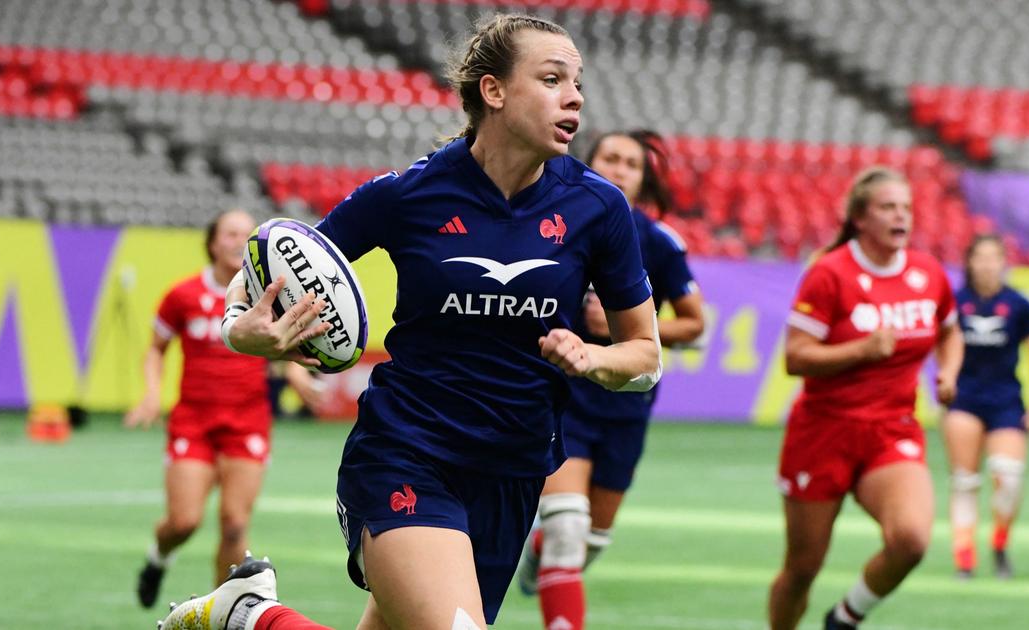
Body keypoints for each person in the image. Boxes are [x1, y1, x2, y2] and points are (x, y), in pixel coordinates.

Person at [160, 13, 660, 630]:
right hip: (407, 451)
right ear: (494, 92)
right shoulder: (409, 193)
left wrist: (594, 358)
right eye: (553, 78)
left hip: (515, 470)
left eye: (577, 81)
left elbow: (644, 354)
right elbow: (270, 266)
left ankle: (248, 617)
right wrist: (242, 329)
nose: (575, 95)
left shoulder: (598, 206)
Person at [513, 130, 706, 630]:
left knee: (590, 538)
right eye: (610, 159)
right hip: (565, 397)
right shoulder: (554, 224)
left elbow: (695, 322)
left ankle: (541, 549)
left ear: (643, 180)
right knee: (568, 527)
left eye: (631, 164)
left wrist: (628, 326)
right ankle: (552, 550)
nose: (619, 169)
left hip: (625, 405)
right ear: (588, 164)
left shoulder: (659, 243)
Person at [769, 167, 964, 630]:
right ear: (860, 218)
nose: (901, 217)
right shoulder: (830, 273)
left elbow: (950, 332)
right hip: (823, 432)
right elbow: (795, 358)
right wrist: (862, 349)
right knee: (803, 569)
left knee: (912, 539)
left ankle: (845, 617)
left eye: (907, 208)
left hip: (890, 430)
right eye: (888, 207)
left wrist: (949, 372)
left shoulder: (927, 272)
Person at [126, 209, 323, 608]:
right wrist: (150, 393)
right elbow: (155, 350)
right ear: (213, 243)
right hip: (193, 422)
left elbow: (280, 345)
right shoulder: (182, 295)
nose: (237, 240)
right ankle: (158, 558)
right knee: (183, 522)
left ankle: (219, 614)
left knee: (235, 526)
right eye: (229, 233)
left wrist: (297, 375)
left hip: (246, 422)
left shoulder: (265, 298)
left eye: (244, 233)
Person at [943, 234, 1029, 579]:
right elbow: (938, 344)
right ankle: (965, 558)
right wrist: (945, 377)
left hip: (1005, 401)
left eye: (994, 257)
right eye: (980, 257)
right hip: (965, 400)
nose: (987, 264)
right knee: (965, 481)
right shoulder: (956, 302)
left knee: (1009, 476)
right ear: (969, 262)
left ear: (1004, 262)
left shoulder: (1019, 304)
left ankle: (1000, 542)